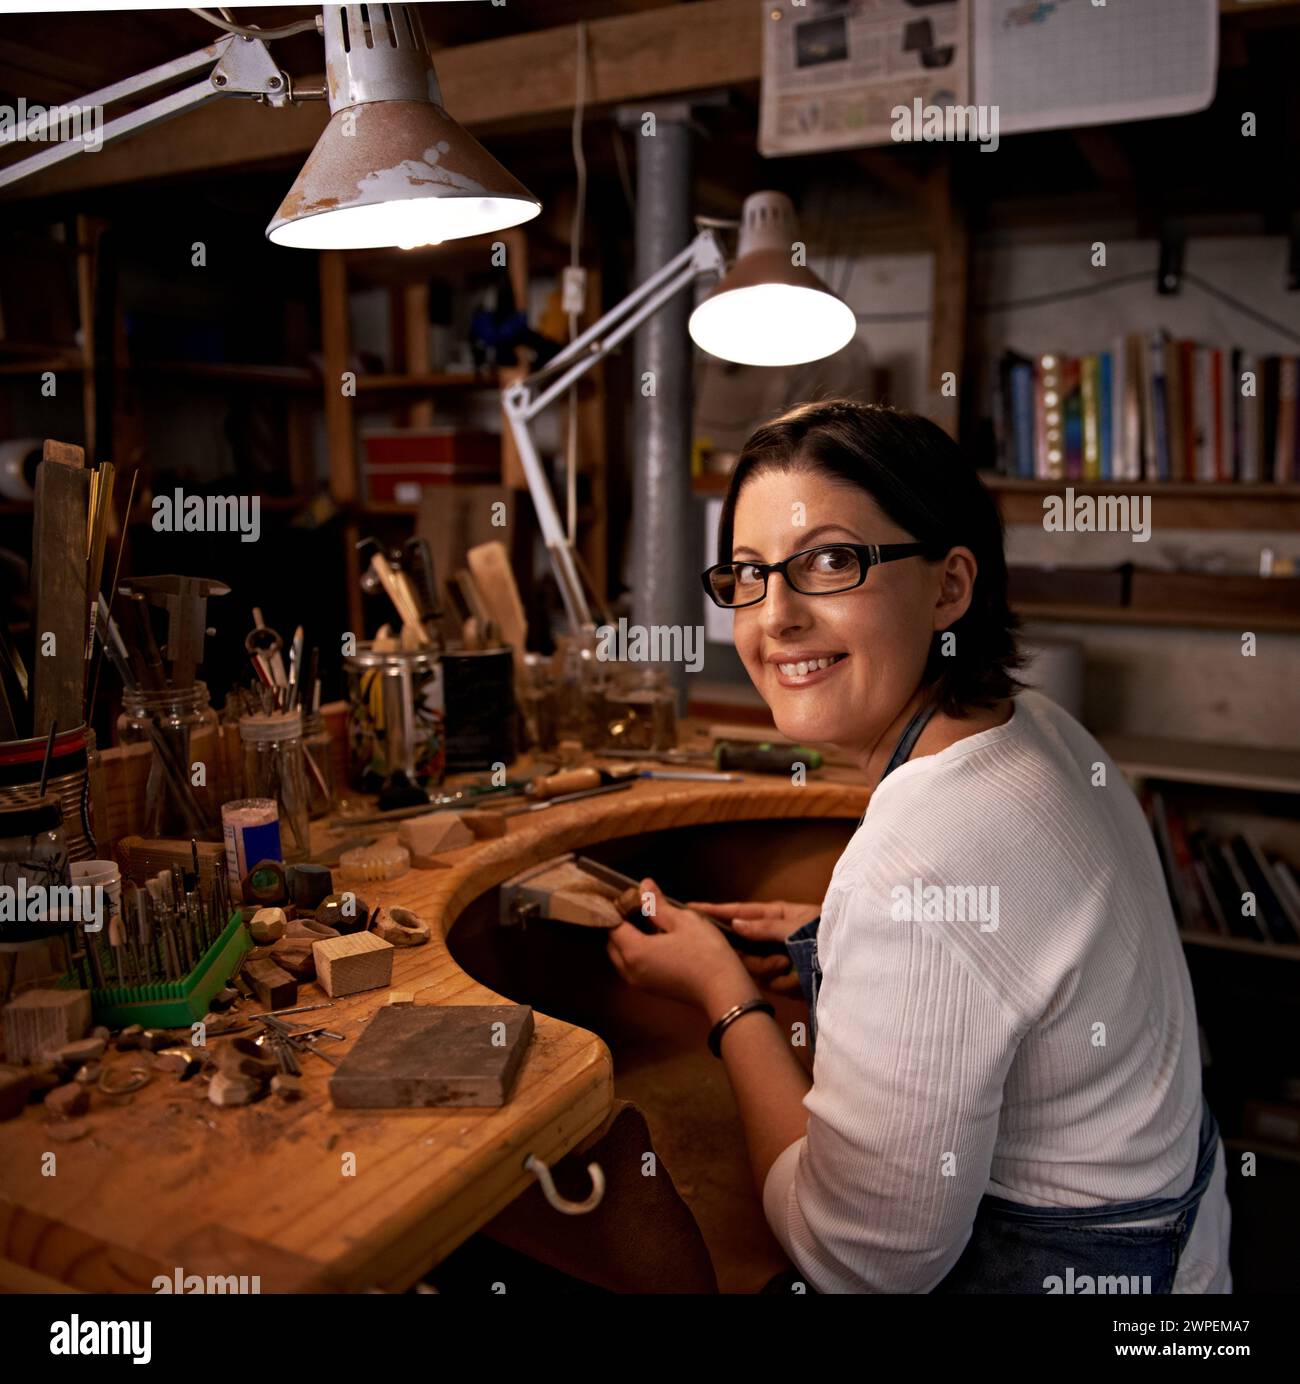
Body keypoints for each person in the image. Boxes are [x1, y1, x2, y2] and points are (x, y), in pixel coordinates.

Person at [605, 399, 1231, 1294]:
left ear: (949, 586)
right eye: (748, 573)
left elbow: (861, 1266)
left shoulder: (922, 852)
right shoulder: (1043, 728)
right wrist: (846, 940)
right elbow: (1009, 947)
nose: (773, 616)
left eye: (829, 560)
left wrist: (725, 994)